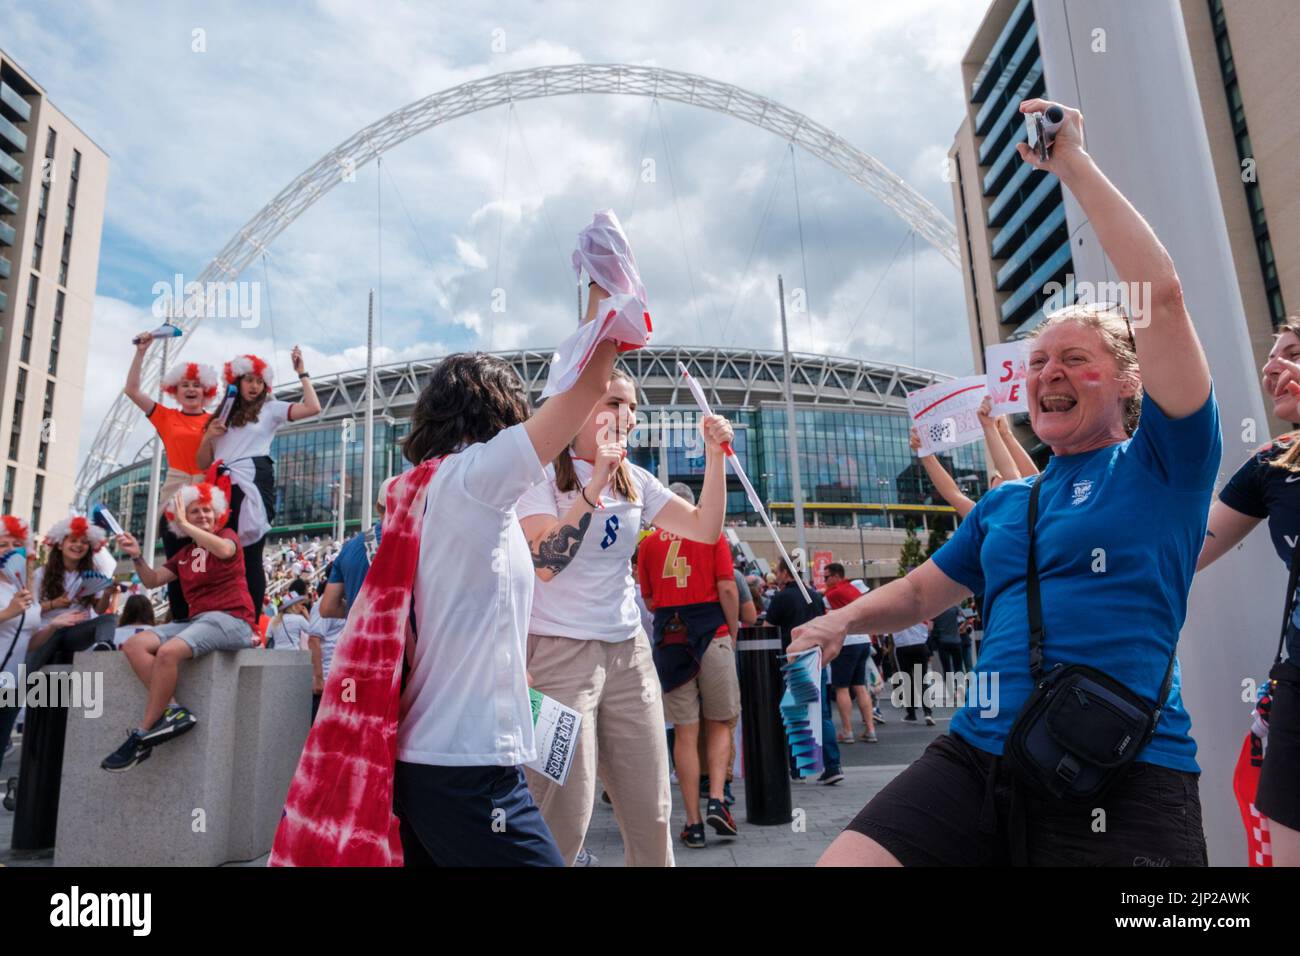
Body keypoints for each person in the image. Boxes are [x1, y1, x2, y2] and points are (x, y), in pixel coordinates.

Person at [793, 99, 1218, 867]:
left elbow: (1163, 292)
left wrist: (1073, 164)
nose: (1050, 372)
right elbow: (921, 595)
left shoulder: (1163, 465)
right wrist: (838, 624)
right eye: (1039, 364)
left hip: (1124, 768)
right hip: (977, 759)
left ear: (1127, 382)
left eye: (1076, 359)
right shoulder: (1004, 503)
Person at [518, 373, 733, 864]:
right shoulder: (540, 478)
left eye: (633, 407)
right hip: (559, 657)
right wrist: (593, 487)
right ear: (578, 408)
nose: (628, 417)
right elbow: (547, 563)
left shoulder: (637, 479)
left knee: (652, 809)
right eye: (615, 402)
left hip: (629, 653)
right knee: (565, 811)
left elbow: (705, 528)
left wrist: (715, 458)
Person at [1196, 315, 1300, 867]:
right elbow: (1183, 551)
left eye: (1294, 354)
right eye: (1271, 359)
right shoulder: (1271, 464)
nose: (1273, 367)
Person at [105, 483, 257, 771]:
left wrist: (186, 522)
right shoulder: (185, 554)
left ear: (218, 514)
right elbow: (151, 581)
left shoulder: (226, 536)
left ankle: (141, 734)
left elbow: (225, 550)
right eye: (194, 511)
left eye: (206, 510)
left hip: (232, 619)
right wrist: (137, 556)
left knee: (168, 652)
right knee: (135, 644)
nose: (201, 515)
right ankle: (173, 710)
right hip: (197, 621)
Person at [631, 482, 740, 850]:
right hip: (712, 629)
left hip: (669, 637)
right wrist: (732, 632)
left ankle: (692, 823)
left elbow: (647, 598)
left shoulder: (647, 544)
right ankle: (717, 799)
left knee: (685, 731)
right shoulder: (711, 533)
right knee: (721, 721)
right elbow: (727, 588)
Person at [196, 347, 321, 619]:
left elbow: (313, 407)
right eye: (248, 380)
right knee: (218, 552)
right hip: (220, 487)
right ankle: (215, 612)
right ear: (236, 381)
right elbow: (202, 462)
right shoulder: (220, 415)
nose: (253, 386)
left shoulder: (270, 409)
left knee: (251, 554)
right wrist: (209, 436)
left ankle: (251, 621)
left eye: (259, 381)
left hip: (251, 481)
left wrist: (302, 372)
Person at [124, 332, 218, 620]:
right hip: (175, 492)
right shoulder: (166, 416)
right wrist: (141, 352)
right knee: (178, 560)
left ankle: (209, 616)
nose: (191, 389)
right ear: (175, 391)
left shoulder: (216, 420)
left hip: (207, 496)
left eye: (196, 385)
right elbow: (132, 390)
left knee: (208, 559)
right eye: (184, 385)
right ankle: (179, 617)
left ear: (207, 392)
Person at [766, 560, 841, 784]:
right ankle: (833, 765)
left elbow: (768, 630)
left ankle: (799, 768)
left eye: (777, 572)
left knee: (795, 714)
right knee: (822, 713)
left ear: (786, 573)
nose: (776, 576)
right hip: (816, 658)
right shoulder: (815, 596)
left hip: (793, 659)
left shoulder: (781, 598)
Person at [28, 517, 118, 671]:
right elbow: (30, 610)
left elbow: (99, 610)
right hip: (48, 630)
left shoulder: (93, 573)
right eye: (73, 540)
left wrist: (107, 594)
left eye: (84, 542)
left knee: (109, 619)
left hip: (76, 632)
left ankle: (103, 648)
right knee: (27, 672)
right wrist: (53, 604)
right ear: (60, 545)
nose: (79, 545)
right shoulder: (41, 574)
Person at [320, 477, 396, 619]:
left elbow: (327, 608)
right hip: (403, 637)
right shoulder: (420, 542)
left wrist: (357, 611)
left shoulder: (350, 547)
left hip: (359, 637)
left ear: (378, 507)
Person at [0, 516, 38, 795]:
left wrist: (58, 627)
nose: (11, 549)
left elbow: (28, 637)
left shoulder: (25, 588)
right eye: (3, 544)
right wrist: (8, 612)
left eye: (17, 544)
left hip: (12, 685)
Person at [822, 564, 877, 743]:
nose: (825, 581)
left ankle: (847, 731)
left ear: (837, 576)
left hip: (846, 642)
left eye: (827, 577)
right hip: (863, 641)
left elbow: (823, 614)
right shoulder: (853, 589)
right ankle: (870, 729)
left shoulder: (832, 594)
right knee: (860, 686)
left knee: (842, 687)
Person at [305, 574, 345, 720]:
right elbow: (313, 640)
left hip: (345, 678)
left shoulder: (348, 602)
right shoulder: (323, 605)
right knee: (323, 725)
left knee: (342, 723)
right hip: (328, 678)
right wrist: (319, 678)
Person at [890, 619, 934, 725]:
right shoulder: (919, 605)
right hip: (920, 644)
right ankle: (928, 712)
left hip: (902, 645)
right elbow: (930, 626)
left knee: (907, 680)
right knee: (922, 679)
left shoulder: (893, 610)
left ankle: (911, 713)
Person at [268, 582, 311, 650]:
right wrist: (307, 616)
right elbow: (313, 632)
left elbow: (267, 639)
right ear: (294, 606)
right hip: (293, 655)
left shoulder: (274, 619)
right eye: (300, 604)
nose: (302, 607)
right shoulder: (299, 619)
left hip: (277, 654)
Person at [930, 604, 964, 676]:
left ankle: (949, 686)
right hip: (956, 641)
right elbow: (964, 616)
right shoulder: (955, 608)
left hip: (942, 642)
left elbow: (930, 628)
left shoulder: (936, 610)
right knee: (958, 667)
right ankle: (959, 685)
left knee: (946, 669)